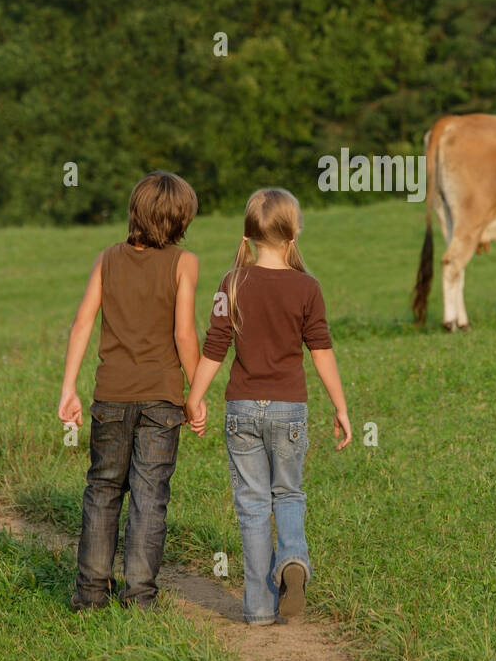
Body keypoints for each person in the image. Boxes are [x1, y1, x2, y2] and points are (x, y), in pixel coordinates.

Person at [186, 187, 350, 625]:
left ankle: (258, 608)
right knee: (288, 493)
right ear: (294, 231)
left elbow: (215, 347)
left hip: (241, 409)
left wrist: (194, 396)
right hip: (289, 410)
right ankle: (293, 559)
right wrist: (341, 407)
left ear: (249, 233)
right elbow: (321, 351)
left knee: (253, 505)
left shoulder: (231, 283)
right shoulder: (307, 287)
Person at [58, 170, 202, 610]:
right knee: (149, 495)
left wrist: (69, 388)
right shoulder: (185, 263)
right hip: (162, 399)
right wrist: (196, 393)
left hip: (110, 398)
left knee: (103, 489)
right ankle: (139, 596)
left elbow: (83, 322)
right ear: (181, 220)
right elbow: (183, 334)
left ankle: (89, 596)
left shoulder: (107, 258)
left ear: (134, 212)